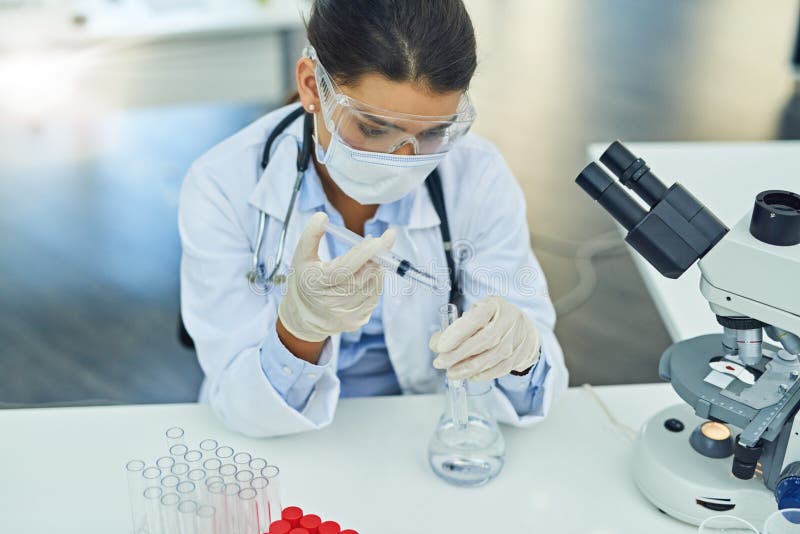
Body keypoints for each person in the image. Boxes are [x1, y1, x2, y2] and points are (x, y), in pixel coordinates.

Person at [179, 0, 568, 437]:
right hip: (285, 442)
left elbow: (533, 388)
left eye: (434, 132)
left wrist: (519, 357)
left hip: (422, 431)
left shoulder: (477, 175)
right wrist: (300, 331)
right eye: (372, 128)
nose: (402, 157)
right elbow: (242, 401)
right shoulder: (222, 184)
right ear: (312, 87)